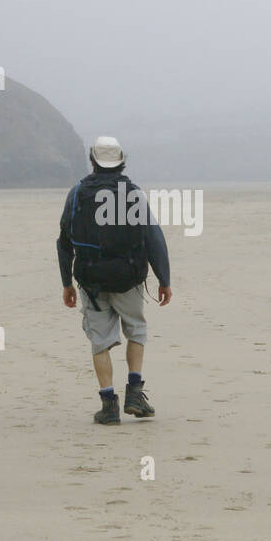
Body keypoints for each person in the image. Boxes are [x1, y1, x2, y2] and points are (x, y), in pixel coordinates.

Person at [57, 136, 172, 425]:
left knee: (100, 341)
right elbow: (153, 237)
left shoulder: (78, 192)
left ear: (92, 161)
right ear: (122, 161)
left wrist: (67, 283)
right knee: (136, 330)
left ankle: (108, 405)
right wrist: (164, 279)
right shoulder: (133, 194)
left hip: (91, 280)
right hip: (128, 276)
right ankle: (135, 391)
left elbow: (64, 241)